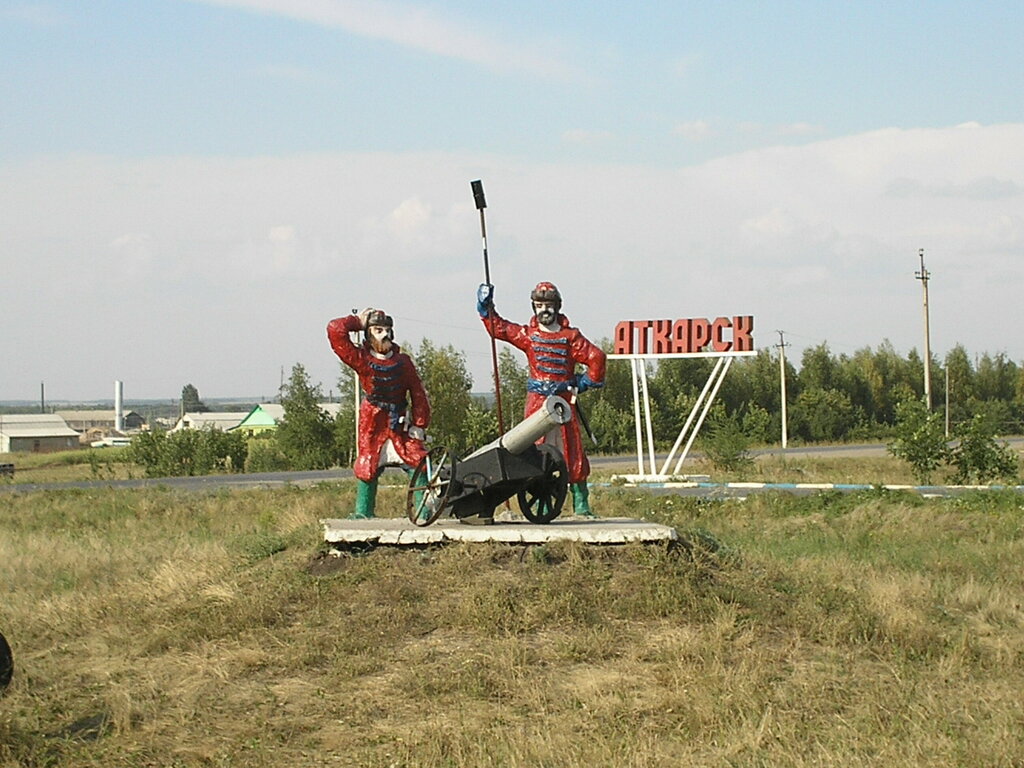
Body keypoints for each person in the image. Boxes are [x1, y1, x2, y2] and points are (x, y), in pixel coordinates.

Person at [477, 281, 606, 516]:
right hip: (537, 402)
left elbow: (596, 357)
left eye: (548, 305)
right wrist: (486, 308)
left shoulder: (570, 337)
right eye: (539, 305)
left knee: (572, 450)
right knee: (534, 450)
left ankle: (581, 503)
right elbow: (500, 329)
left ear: (557, 306)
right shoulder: (529, 335)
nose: (544, 310)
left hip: (563, 401)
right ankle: (538, 502)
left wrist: (584, 382)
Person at [327, 308, 430, 519]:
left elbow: (418, 392)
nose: (384, 335)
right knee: (368, 465)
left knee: (417, 461)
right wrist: (357, 321)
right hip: (373, 422)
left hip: (400, 421)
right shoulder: (362, 359)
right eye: (378, 330)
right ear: (368, 333)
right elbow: (335, 330)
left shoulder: (403, 363)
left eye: (387, 330)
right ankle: (363, 512)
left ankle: (423, 512)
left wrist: (419, 424)